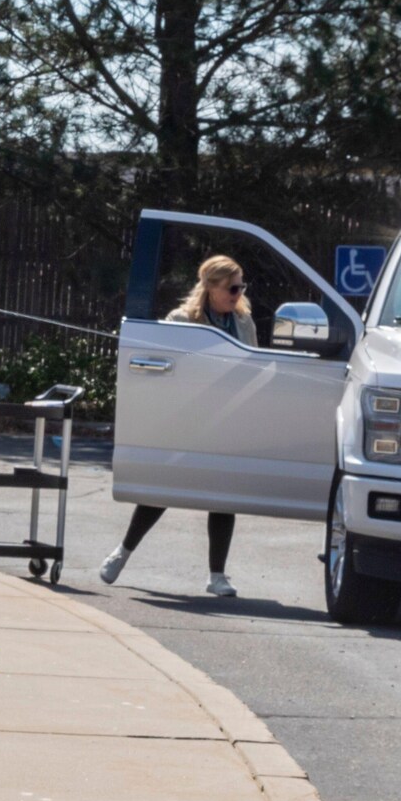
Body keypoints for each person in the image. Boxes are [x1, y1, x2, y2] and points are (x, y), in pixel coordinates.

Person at [98, 253, 251, 597]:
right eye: (233, 287)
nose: (238, 294)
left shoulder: (244, 323)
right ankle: (121, 553)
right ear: (212, 287)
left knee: (223, 499)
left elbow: (252, 366)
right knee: (162, 489)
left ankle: (217, 576)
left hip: (226, 421)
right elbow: (166, 368)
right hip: (187, 419)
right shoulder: (180, 319)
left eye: (241, 287)